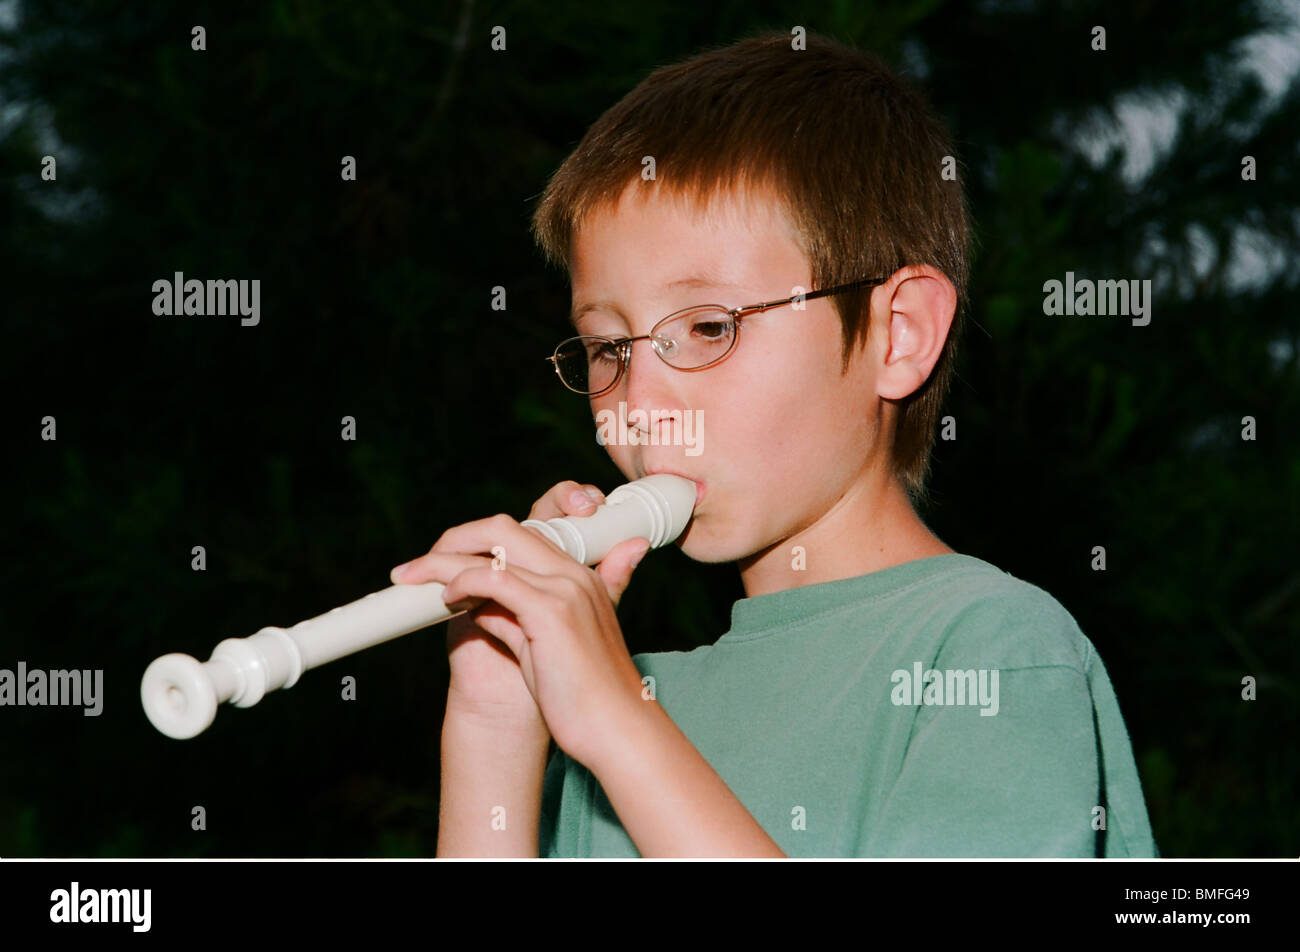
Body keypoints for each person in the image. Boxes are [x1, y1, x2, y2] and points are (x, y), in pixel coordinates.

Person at [390, 29, 1158, 858]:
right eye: (611, 349)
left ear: (897, 335)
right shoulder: (627, 698)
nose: (640, 404)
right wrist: (494, 723)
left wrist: (617, 725)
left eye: (709, 326)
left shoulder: (992, 651)